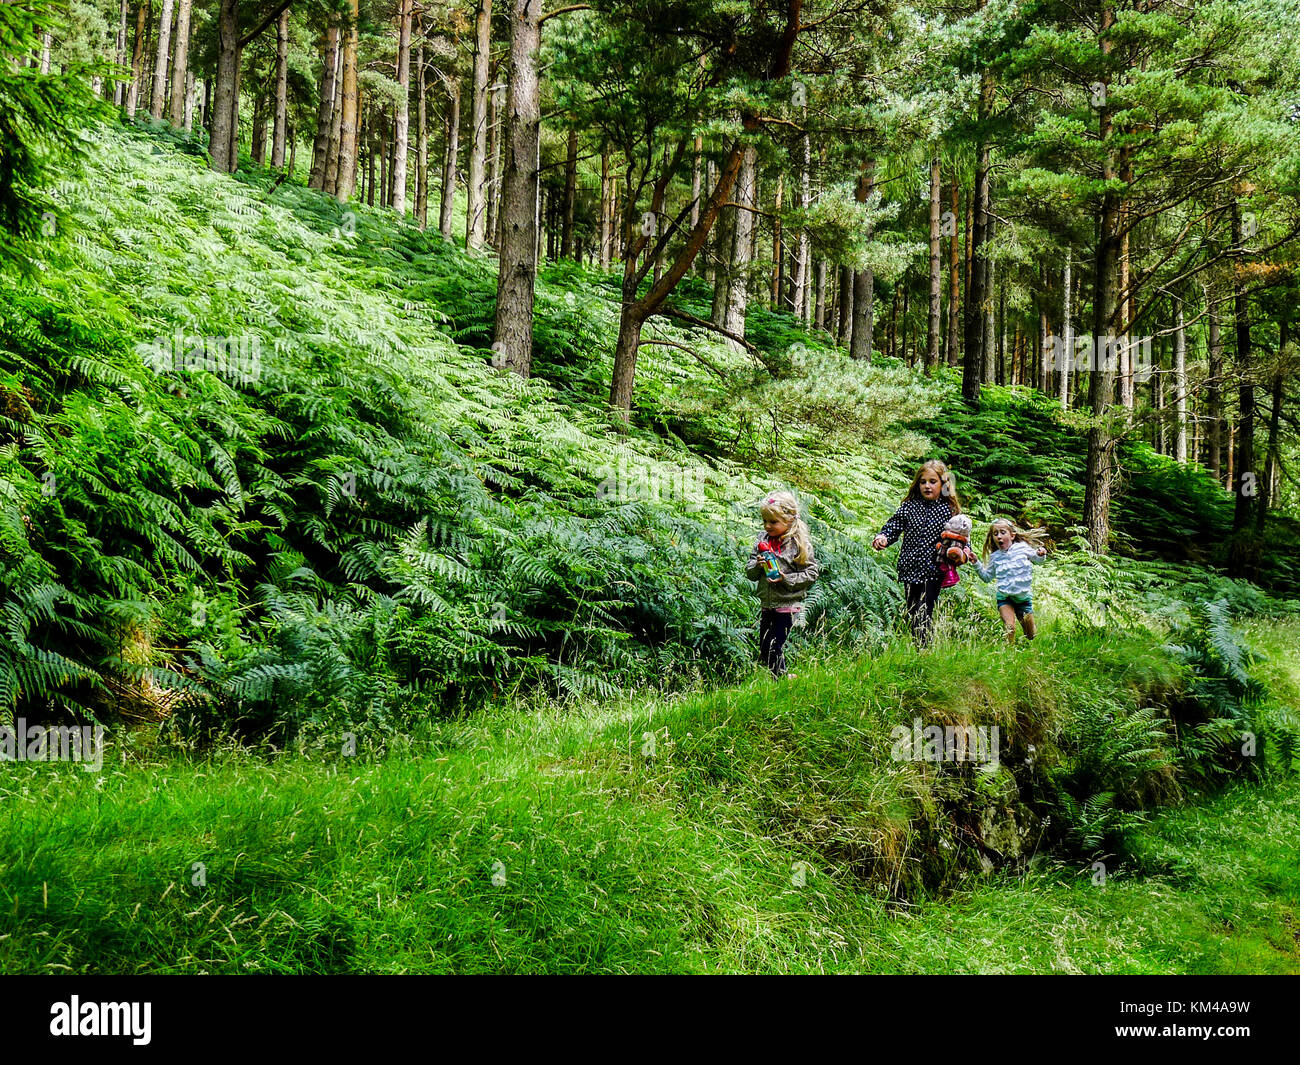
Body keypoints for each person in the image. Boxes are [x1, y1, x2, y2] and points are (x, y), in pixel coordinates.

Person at [871, 460, 963, 646]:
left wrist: (962, 553)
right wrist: (883, 537)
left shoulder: (948, 510)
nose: (927, 486)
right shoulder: (910, 507)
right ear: (917, 484)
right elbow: (894, 525)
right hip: (909, 567)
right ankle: (919, 648)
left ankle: (923, 648)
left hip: (933, 569)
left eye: (932, 481)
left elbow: (960, 536)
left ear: (943, 484)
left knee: (924, 610)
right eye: (923, 482)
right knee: (913, 610)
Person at [746, 491, 819, 678]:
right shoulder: (762, 541)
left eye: (773, 522)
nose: (767, 526)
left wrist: (785, 578)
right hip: (767, 604)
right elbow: (750, 573)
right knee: (764, 647)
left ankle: (781, 680)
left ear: (789, 520)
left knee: (773, 645)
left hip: (789, 606)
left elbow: (811, 573)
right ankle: (783, 677)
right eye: (765, 521)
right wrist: (758, 565)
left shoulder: (798, 544)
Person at [973, 518, 1048, 644]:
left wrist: (1041, 554)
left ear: (1012, 535)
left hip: (1023, 598)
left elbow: (1038, 560)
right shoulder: (995, 557)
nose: (999, 536)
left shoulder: (1022, 548)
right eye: (995, 534)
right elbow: (986, 577)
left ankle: (1028, 632)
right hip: (1005, 597)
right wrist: (976, 563)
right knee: (1010, 627)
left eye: (1003, 532)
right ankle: (1009, 653)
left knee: (1031, 635)